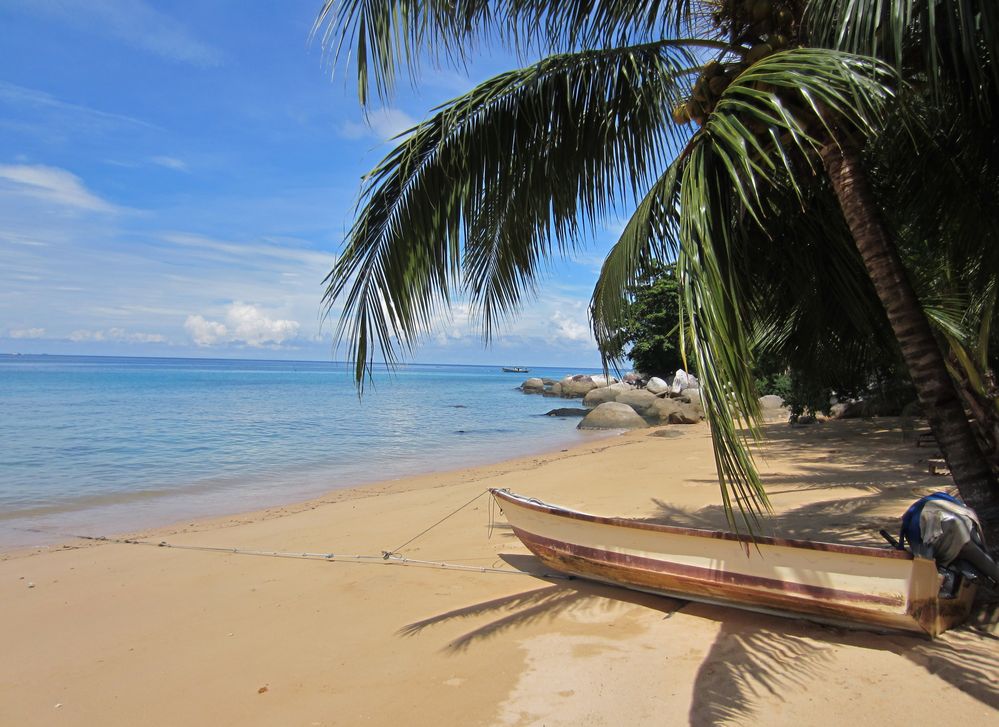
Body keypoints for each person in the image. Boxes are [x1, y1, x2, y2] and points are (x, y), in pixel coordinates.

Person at [900, 492, 999, 586]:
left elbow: (922, 555)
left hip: (947, 525)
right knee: (975, 555)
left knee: (965, 555)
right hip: (964, 520)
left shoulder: (911, 522)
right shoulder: (949, 502)